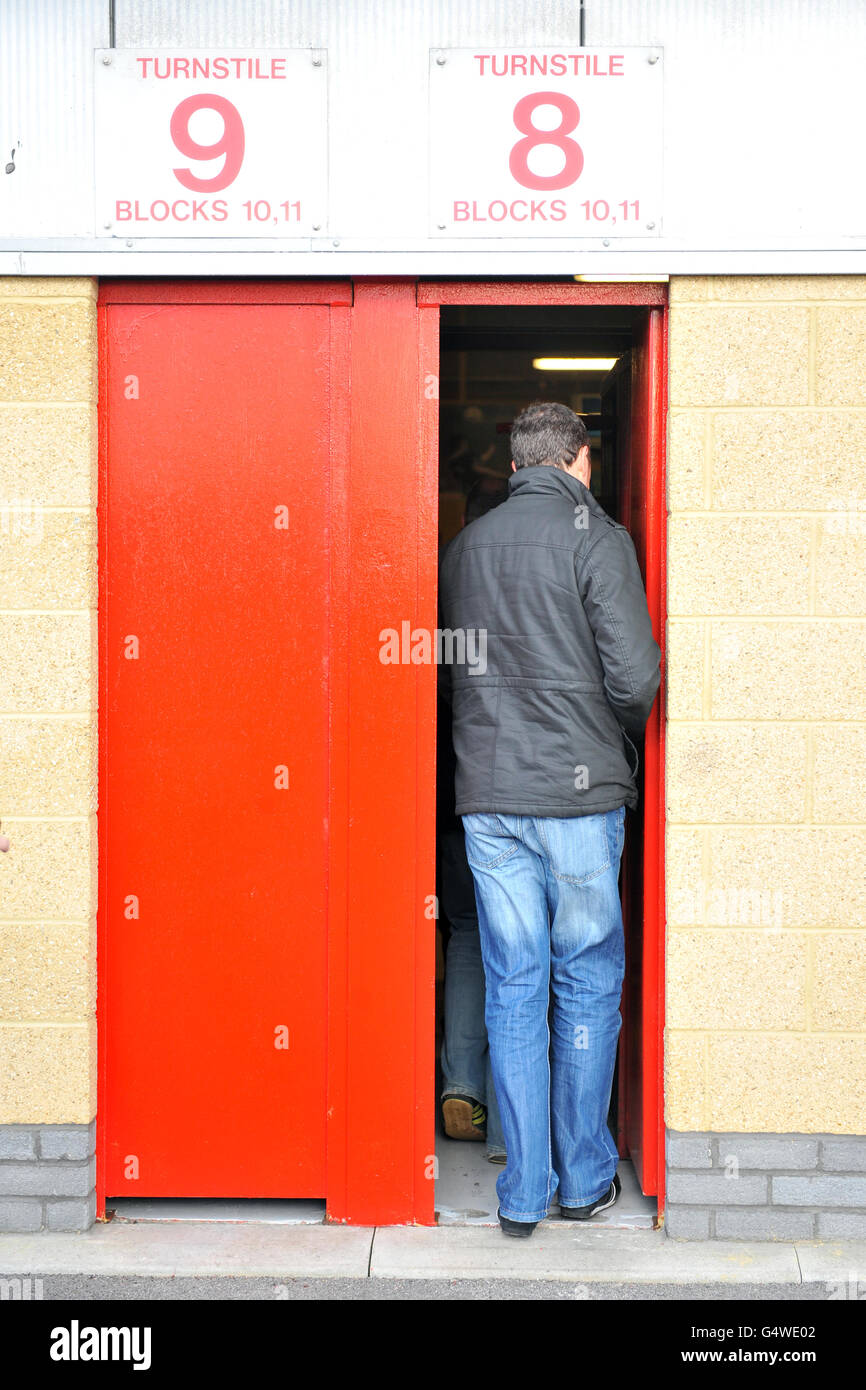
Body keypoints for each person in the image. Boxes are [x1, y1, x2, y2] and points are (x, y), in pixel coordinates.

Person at [438, 401, 660, 1238]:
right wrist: (606, 744)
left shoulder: (464, 550)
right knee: (588, 982)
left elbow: (448, 675)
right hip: (576, 800)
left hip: (490, 800)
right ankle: (585, 1178)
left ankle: (522, 1192)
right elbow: (636, 678)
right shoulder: (595, 537)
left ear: (518, 463)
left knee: (514, 984)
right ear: (579, 459)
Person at [438, 478, 508, 1162]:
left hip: (446, 795)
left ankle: (461, 1084)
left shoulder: (442, 571)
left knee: (465, 934)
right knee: (524, 946)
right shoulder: (522, 584)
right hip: (516, 792)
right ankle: (520, 1116)